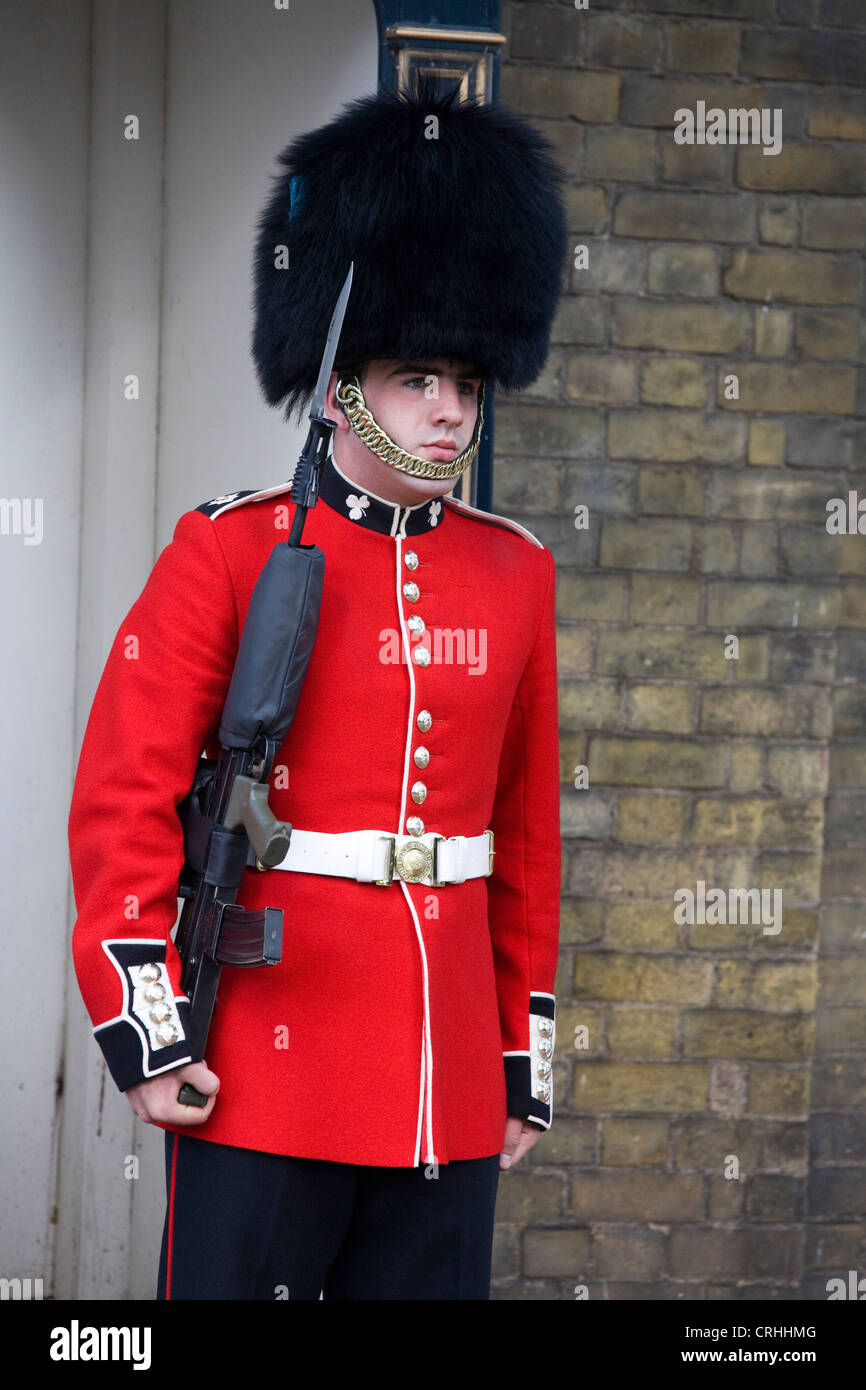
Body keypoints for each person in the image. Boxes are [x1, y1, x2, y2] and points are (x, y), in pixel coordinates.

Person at [68, 85, 567, 1300]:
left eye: (463, 378)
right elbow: (124, 801)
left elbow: (524, 840)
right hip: (265, 1064)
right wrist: (147, 1033)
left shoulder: (515, 573)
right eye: (412, 377)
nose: (448, 408)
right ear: (341, 384)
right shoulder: (231, 551)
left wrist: (518, 1056)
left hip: (444, 1079)